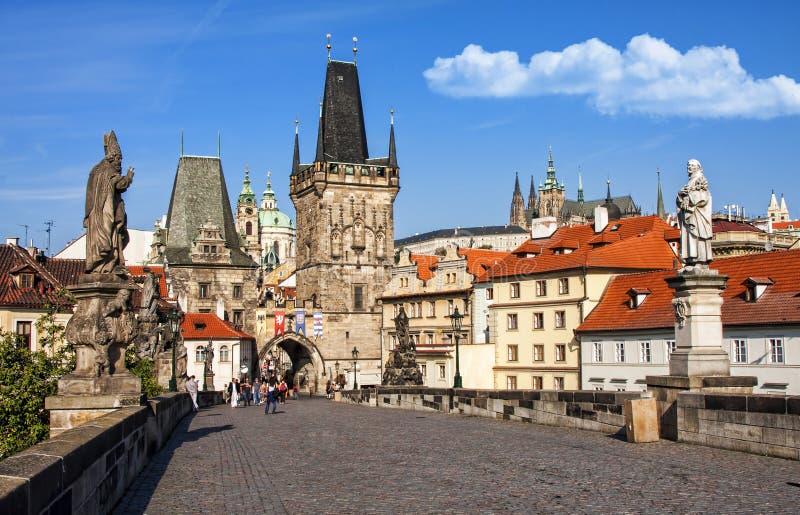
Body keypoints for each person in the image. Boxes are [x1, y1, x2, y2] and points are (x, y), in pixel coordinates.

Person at [83, 130, 134, 275]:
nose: (120, 163)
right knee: (110, 236)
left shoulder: (96, 171)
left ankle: (102, 265)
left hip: (96, 213)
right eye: (119, 159)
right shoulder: (108, 171)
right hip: (105, 211)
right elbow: (120, 185)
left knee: (112, 236)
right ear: (113, 158)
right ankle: (107, 265)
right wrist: (129, 178)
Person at [676, 159, 713, 267]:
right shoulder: (690, 182)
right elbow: (681, 199)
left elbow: (704, 197)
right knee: (692, 237)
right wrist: (680, 194)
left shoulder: (700, 179)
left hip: (697, 214)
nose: (689, 167)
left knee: (699, 236)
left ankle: (700, 261)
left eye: (692, 165)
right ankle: (691, 260)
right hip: (689, 214)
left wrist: (689, 198)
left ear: (698, 167)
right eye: (688, 165)